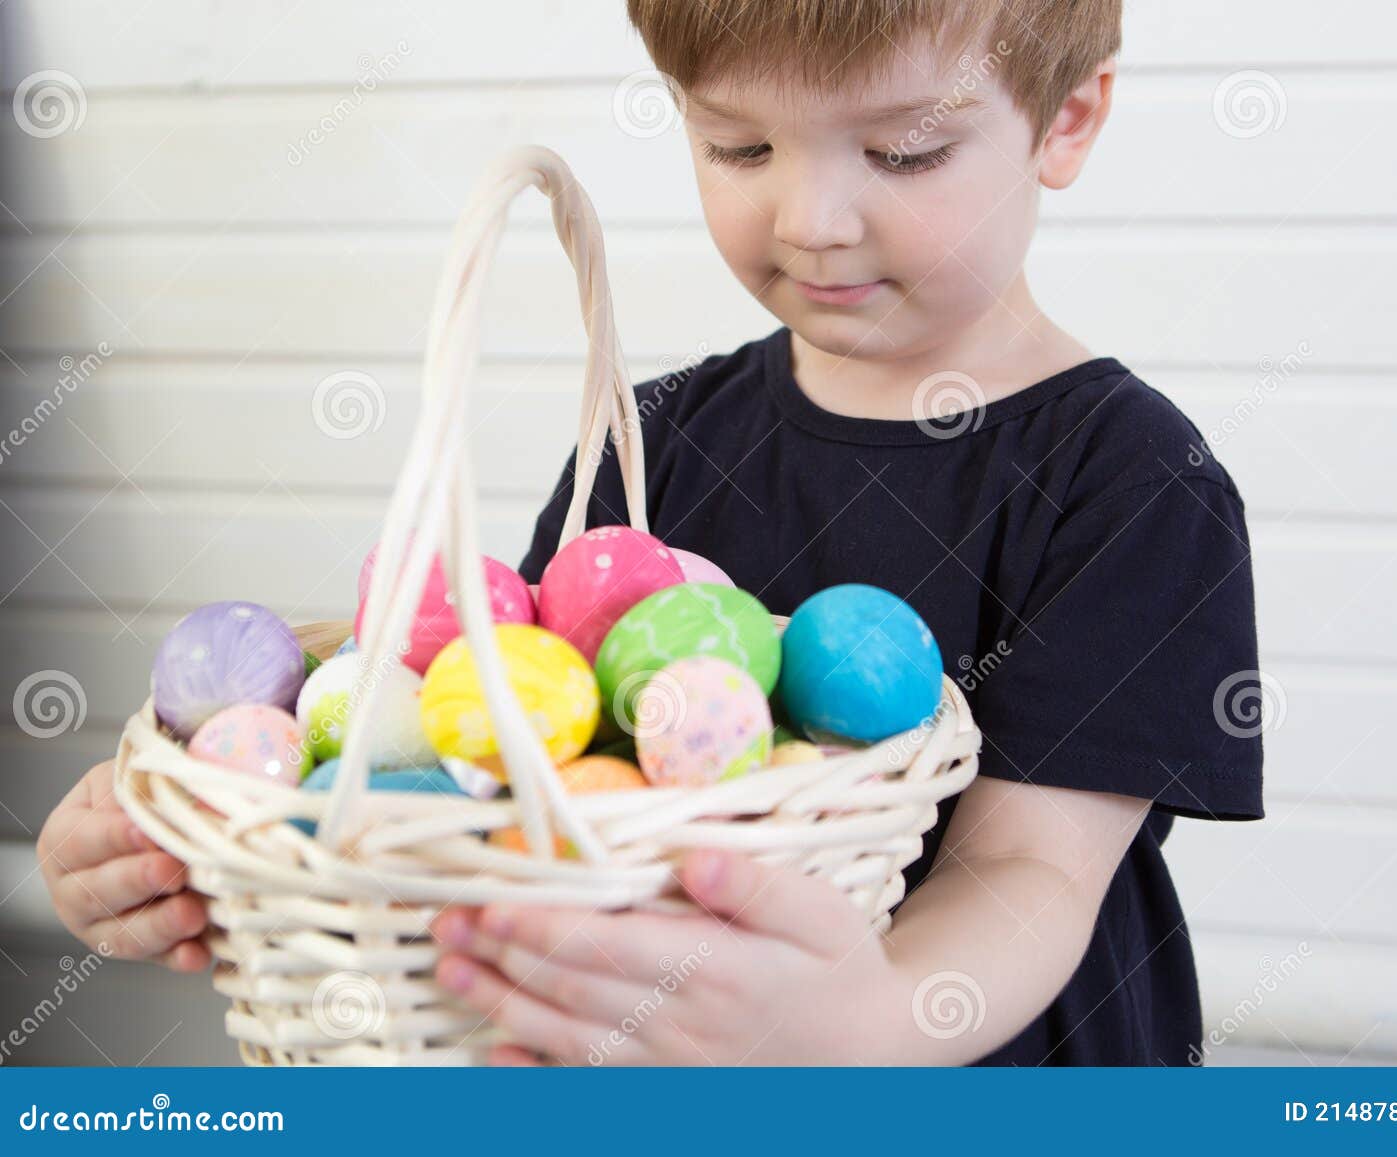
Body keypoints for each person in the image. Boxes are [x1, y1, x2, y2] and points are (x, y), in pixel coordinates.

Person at [39, 0, 1265, 1065]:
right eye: (739, 143)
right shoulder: (653, 434)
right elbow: (497, 737)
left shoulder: (1130, 480)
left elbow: (1031, 872)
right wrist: (219, 836)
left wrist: (869, 1021)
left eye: (903, 151)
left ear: (1065, 121)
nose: (812, 217)